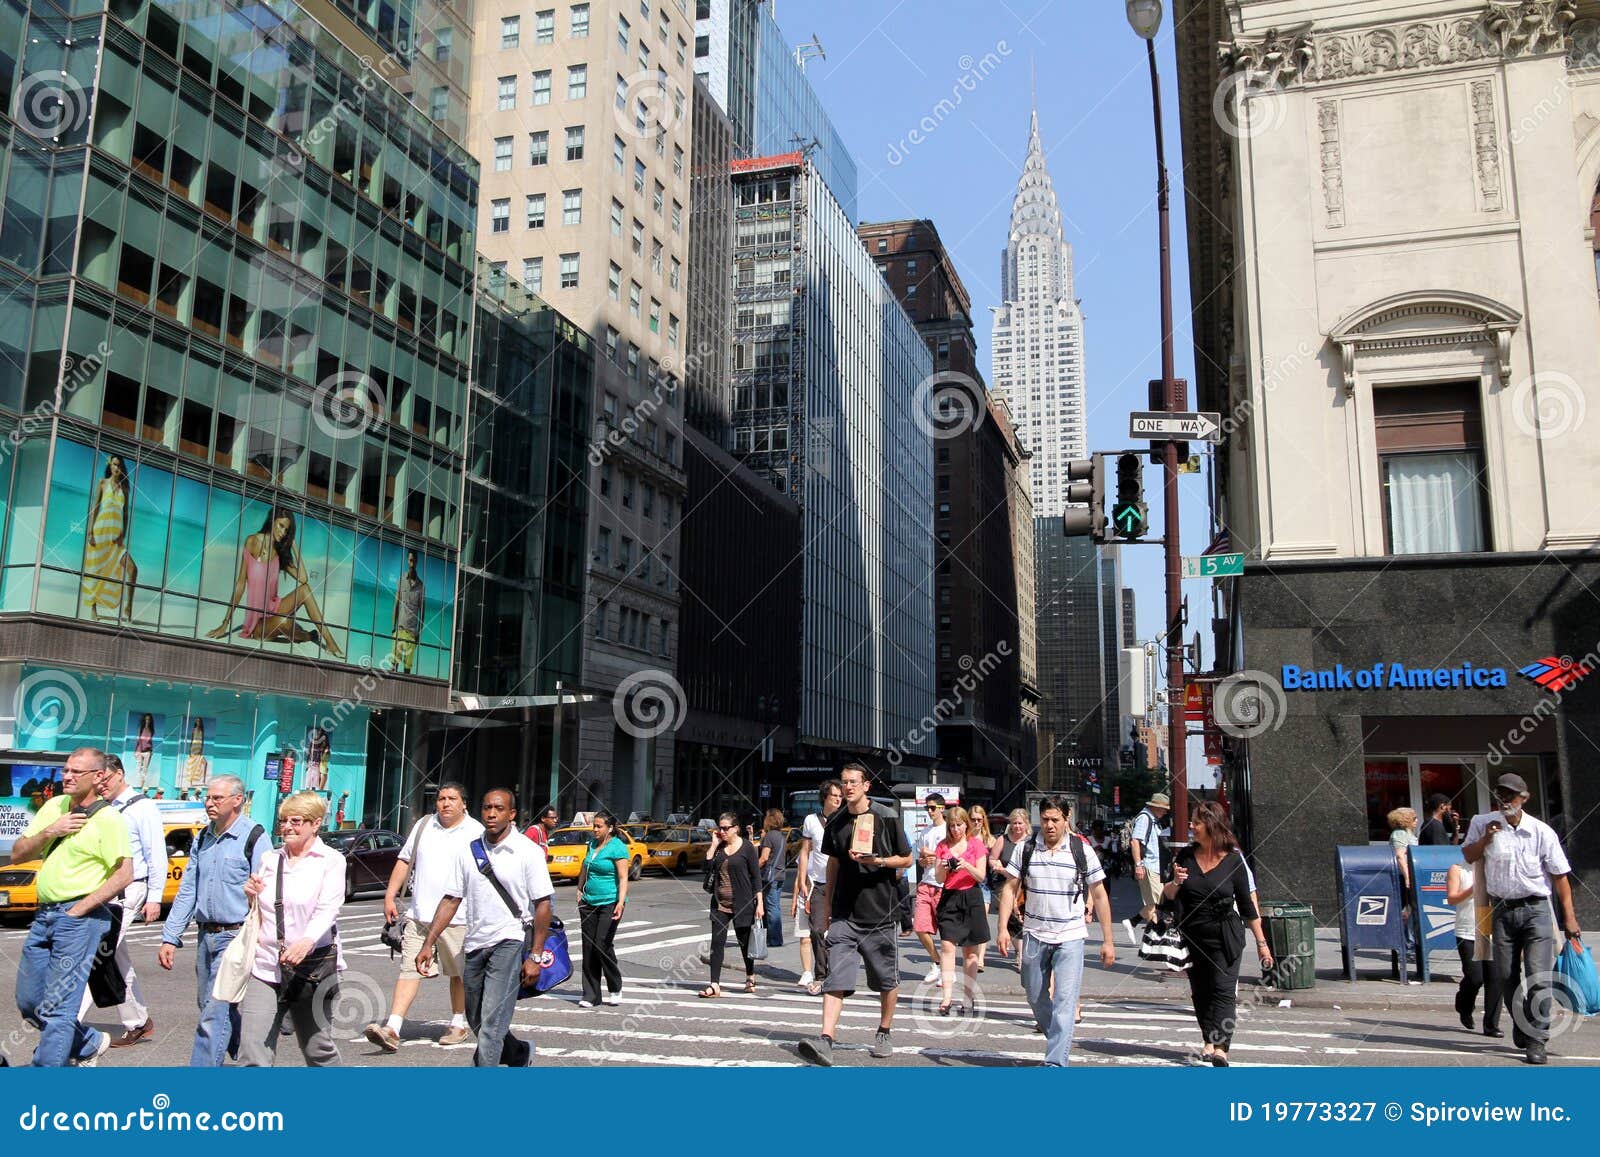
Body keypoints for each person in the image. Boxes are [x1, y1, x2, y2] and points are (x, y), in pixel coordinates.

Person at [11, 747, 132, 1067]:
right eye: (66, 770)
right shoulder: (55, 806)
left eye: (77, 772)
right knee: (30, 1001)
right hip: (44, 915)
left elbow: (124, 874)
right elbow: (18, 854)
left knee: (59, 1008)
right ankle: (88, 1042)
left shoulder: (108, 818)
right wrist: (52, 830)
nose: (67, 776)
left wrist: (80, 909)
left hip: (79, 919)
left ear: (98, 776)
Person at [417, 789, 554, 1068]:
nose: (491, 814)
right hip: (475, 943)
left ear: (511, 814)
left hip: (510, 940)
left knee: (492, 1022)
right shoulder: (469, 851)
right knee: (477, 1018)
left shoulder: (527, 851)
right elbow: (451, 899)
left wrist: (536, 955)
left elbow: (543, 904)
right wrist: (428, 943)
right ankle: (517, 1053)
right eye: (487, 808)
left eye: (499, 809)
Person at [1462, 772, 1583, 1065]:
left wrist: (1570, 919)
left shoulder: (1541, 831)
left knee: (1537, 975)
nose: (1504, 800)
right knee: (1505, 976)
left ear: (1524, 798)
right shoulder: (1482, 823)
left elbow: (1560, 877)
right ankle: (1522, 1022)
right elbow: (1468, 855)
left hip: (1536, 910)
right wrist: (1487, 838)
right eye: (1500, 794)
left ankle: (1536, 1039)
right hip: (1501, 910)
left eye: (1511, 795)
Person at [797, 762, 914, 1066]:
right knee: (835, 978)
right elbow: (833, 864)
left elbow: (907, 859)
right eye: (844, 782)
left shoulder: (886, 816)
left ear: (866, 786)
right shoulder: (835, 821)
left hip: (880, 914)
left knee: (886, 981)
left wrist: (878, 862)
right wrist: (827, 908)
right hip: (845, 915)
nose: (847, 787)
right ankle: (826, 1040)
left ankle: (884, 1031)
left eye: (853, 782)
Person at [995, 796, 1116, 1066]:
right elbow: (1010, 888)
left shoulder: (1081, 850)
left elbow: (1099, 894)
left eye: (1055, 819)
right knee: (1033, 994)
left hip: (1070, 936)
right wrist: (1002, 928)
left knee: (1064, 1000)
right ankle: (1059, 1038)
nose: (1050, 825)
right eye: (1045, 819)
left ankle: (1055, 1063)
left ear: (1066, 819)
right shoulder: (1026, 848)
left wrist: (1108, 940)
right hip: (1034, 934)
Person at [364, 781, 483, 1051]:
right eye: (441, 798)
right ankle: (393, 1028)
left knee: (458, 973)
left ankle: (458, 1023)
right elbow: (405, 861)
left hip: (458, 918)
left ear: (464, 804)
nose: (446, 803)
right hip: (419, 916)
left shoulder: (476, 831)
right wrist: (390, 895)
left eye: (452, 798)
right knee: (409, 970)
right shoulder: (424, 825)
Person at [158, 774, 268, 1066]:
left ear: (237, 800)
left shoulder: (254, 836)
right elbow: (188, 889)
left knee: (214, 1010)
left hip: (236, 936)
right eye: (208, 798)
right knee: (212, 1005)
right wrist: (170, 936)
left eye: (217, 798)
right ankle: (254, 1057)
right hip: (206, 935)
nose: (209, 803)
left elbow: (266, 891)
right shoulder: (204, 837)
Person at [236, 791, 346, 1066]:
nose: (287, 827)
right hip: (266, 965)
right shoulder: (270, 859)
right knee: (252, 1050)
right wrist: (251, 894)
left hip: (311, 967)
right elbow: (261, 909)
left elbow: (328, 908)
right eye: (284, 821)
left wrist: (307, 941)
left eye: (296, 821)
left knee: (317, 1049)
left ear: (316, 823)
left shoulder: (331, 860)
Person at [1162, 801, 1273, 1066]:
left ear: (1212, 825)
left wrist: (1262, 943)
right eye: (1192, 821)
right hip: (1193, 936)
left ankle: (1221, 1047)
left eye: (1197, 822)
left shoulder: (1233, 860)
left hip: (1226, 936)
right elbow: (1167, 896)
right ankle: (1208, 1039)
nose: (1192, 826)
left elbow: (1247, 906)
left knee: (1223, 990)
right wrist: (1175, 882)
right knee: (1201, 991)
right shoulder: (1185, 856)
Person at [79, 754, 165, 1048]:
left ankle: (67, 1023)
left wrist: (155, 898)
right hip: (105, 890)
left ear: (119, 774)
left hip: (129, 891)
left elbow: (156, 855)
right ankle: (138, 1021)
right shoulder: (103, 808)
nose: (100, 785)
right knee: (116, 958)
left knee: (94, 955)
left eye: (104, 778)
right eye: (97, 780)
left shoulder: (142, 807)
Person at [206, 506, 345, 659]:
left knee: (305, 590)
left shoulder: (280, 552)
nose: (283, 532)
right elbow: (240, 584)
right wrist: (225, 623)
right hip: (258, 624)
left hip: (275, 608)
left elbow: (303, 579)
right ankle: (307, 636)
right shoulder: (252, 542)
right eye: (281, 526)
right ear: (272, 521)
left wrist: (294, 545)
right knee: (284, 622)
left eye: (287, 530)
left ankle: (330, 642)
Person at [933, 806, 989, 1015]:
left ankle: (967, 997)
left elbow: (981, 876)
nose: (955, 829)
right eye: (952, 826)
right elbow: (939, 879)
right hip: (949, 897)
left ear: (966, 825)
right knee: (947, 946)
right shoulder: (942, 845)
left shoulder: (976, 845)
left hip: (971, 896)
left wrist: (966, 865)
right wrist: (943, 866)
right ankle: (947, 997)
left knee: (970, 951)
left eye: (959, 825)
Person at [699, 812, 762, 998]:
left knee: (744, 943)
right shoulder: (719, 848)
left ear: (736, 828)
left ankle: (750, 975)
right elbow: (705, 867)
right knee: (717, 943)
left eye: (726, 828)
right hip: (720, 904)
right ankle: (714, 985)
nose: (722, 831)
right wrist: (713, 844)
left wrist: (759, 903)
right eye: (720, 828)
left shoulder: (747, 847)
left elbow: (756, 876)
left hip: (743, 903)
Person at [577, 810, 631, 1008]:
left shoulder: (618, 847)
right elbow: (585, 867)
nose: (595, 829)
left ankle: (615, 986)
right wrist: (579, 889)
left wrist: (620, 902)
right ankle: (591, 994)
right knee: (589, 947)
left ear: (610, 828)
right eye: (594, 826)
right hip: (588, 902)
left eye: (599, 826)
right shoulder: (592, 844)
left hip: (609, 902)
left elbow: (623, 878)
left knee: (602, 943)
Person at [795, 781, 843, 993]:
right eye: (834, 795)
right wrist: (801, 881)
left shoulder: (846, 818)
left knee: (841, 931)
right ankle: (822, 975)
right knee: (817, 930)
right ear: (824, 797)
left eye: (840, 796)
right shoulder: (811, 820)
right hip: (818, 883)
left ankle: (836, 974)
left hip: (841, 882)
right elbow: (805, 851)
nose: (838, 799)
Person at [1445, 859, 1502, 1038]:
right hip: (1468, 931)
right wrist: (1474, 889)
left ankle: (1491, 1025)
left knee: (1495, 979)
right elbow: (1452, 899)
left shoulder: (1498, 868)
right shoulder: (1458, 869)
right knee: (1475, 978)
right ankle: (1464, 1005)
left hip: (1493, 930)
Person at [81, 454, 137, 621]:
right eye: (114, 464)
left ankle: (128, 606)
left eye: (119, 465)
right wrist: (90, 532)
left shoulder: (125, 489)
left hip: (116, 541)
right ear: (110, 466)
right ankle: (93, 609)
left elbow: (125, 514)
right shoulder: (102, 483)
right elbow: (95, 508)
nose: (116, 468)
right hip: (100, 535)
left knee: (133, 569)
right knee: (95, 571)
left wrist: (123, 535)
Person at [1122, 792, 1169, 946]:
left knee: (1155, 903)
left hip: (1153, 866)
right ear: (1156, 807)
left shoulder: (1151, 819)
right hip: (1149, 865)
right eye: (1164, 809)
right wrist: (1139, 865)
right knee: (1157, 904)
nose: (1165, 812)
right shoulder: (1145, 818)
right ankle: (1154, 937)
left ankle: (1135, 923)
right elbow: (1135, 841)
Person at [912, 793, 948, 984]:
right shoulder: (925, 832)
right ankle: (937, 962)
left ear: (942, 808)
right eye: (927, 808)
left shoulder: (949, 830)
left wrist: (934, 854)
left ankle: (947, 969)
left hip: (944, 885)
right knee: (919, 926)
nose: (929, 811)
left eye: (933, 808)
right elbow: (919, 858)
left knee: (946, 931)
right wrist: (923, 860)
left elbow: (953, 855)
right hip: (926, 883)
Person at [1389, 807, 1420, 963]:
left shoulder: (1408, 834)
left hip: (1411, 876)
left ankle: (1410, 946)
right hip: (1404, 877)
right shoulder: (1400, 834)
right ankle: (1408, 948)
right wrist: (1408, 877)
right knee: (1407, 912)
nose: (1417, 820)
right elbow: (1400, 856)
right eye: (1414, 818)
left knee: (1411, 911)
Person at [390, 550, 425, 673]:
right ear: (407, 561)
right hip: (399, 630)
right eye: (410, 560)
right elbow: (396, 604)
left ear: (417, 562)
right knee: (393, 667)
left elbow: (422, 612)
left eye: (414, 561)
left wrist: (419, 633)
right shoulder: (401, 580)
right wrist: (393, 628)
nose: (412, 563)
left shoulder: (421, 586)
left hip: (412, 634)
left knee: (407, 670)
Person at [759, 808, 787, 949]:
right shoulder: (781, 836)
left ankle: (775, 939)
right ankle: (774, 937)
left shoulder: (769, 836)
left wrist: (753, 868)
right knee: (774, 906)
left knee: (771, 907)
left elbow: (764, 858)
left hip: (770, 876)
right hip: (780, 874)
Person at [133, 712, 156, 786]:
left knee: (145, 769)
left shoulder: (151, 730)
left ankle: (142, 784)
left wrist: (151, 750)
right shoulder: (141, 728)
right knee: (138, 768)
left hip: (147, 751)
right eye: (146, 719)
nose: (147, 721)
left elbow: (150, 741)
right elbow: (138, 739)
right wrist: (135, 750)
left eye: (148, 719)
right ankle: (137, 783)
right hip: (139, 750)